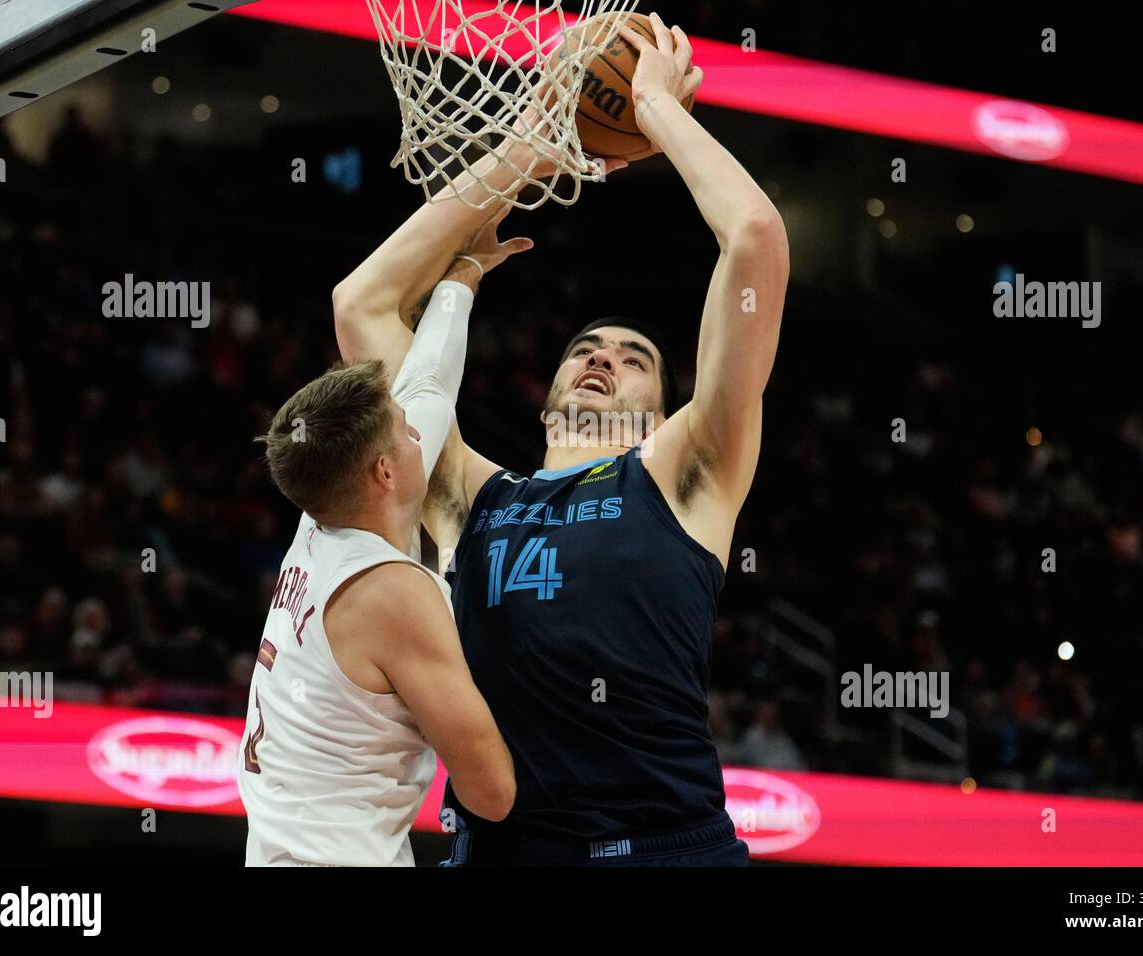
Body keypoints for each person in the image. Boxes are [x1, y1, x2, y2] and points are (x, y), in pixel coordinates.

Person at [335, 11, 789, 866]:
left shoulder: (690, 473)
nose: (603, 361)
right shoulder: (470, 497)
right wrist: (534, 148)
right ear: (547, 404)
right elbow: (360, 306)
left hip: (663, 850)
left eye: (632, 360)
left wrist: (655, 107)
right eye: (586, 351)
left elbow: (755, 238)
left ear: (662, 413)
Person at [237, 209, 529, 866]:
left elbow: (428, 384)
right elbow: (492, 791)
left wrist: (465, 275)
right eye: (402, 427)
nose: (415, 423)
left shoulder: (325, 507)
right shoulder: (391, 593)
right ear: (386, 471)